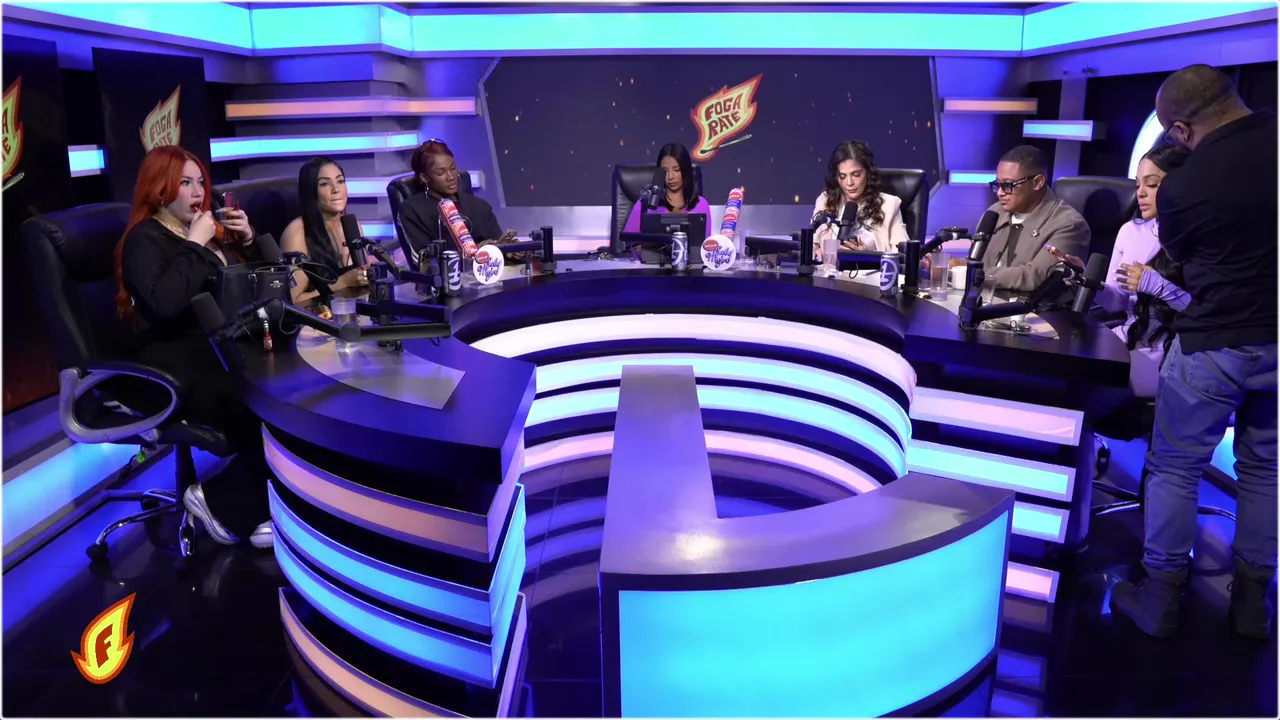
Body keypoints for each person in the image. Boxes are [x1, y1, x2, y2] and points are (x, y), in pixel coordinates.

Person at [1110, 64, 1277, 640]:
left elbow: (1180, 259)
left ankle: (1159, 600)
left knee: (1175, 469)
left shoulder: (1185, 185)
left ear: (1181, 129)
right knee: (1267, 470)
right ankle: (1253, 606)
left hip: (1212, 342)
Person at [114, 145, 273, 549]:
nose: (198, 191)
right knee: (256, 399)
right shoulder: (144, 239)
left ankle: (256, 504)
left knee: (280, 388)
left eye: (200, 181)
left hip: (217, 345)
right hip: (170, 360)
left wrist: (248, 240)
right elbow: (166, 303)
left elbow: (258, 282)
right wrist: (197, 245)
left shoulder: (204, 232)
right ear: (159, 190)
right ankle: (223, 503)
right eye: (184, 183)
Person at [1053, 144, 1192, 397]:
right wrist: (1087, 280)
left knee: (1082, 385)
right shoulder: (1130, 231)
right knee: (1059, 366)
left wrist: (1156, 285)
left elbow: (1205, 313)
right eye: (1138, 185)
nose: (1141, 193)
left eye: (1152, 184)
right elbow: (1116, 302)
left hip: (1171, 350)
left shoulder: (1199, 236)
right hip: (1126, 338)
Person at [979, 145, 1089, 296]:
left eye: (1008, 185)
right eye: (998, 184)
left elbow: (1034, 277)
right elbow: (978, 259)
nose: (1000, 192)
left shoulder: (1069, 224)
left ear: (1037, 182)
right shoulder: (994, 212)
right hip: (985, 300)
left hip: (1036, 308)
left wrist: (975, 274)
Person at [399, 139, 516, 261]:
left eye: (453, 168)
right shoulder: (411, 210)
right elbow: (423, 261)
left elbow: (500, 247)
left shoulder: (480, 206)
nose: (451, 176)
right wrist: (476, 253)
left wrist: (510, 252)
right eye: (440, 173)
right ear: (424, 178)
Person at [280, 157, 370, 305]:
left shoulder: (351, 224)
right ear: (311, 192)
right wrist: (342, 282)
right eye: (324, 184)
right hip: (317, 316)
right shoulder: (297, 233)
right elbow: (294, 302)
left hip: (355, 311)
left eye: (340, 181)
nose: (336, 189)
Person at [811, 140, 908, 256]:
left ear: (868, 173)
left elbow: (904, 253)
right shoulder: (826, 200)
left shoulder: (889, 205)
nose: (849, 183)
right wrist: (814, 252)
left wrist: (867, 255)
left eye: (856, 175)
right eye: (842, 176)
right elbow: (812, 244)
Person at [621, 142, 713, 238]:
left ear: (686, 170)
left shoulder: (701, 204)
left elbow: (705, 244)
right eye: (665, 171)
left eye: (676, 170)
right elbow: (628, 241)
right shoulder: (645, 203)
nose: (670, 177)